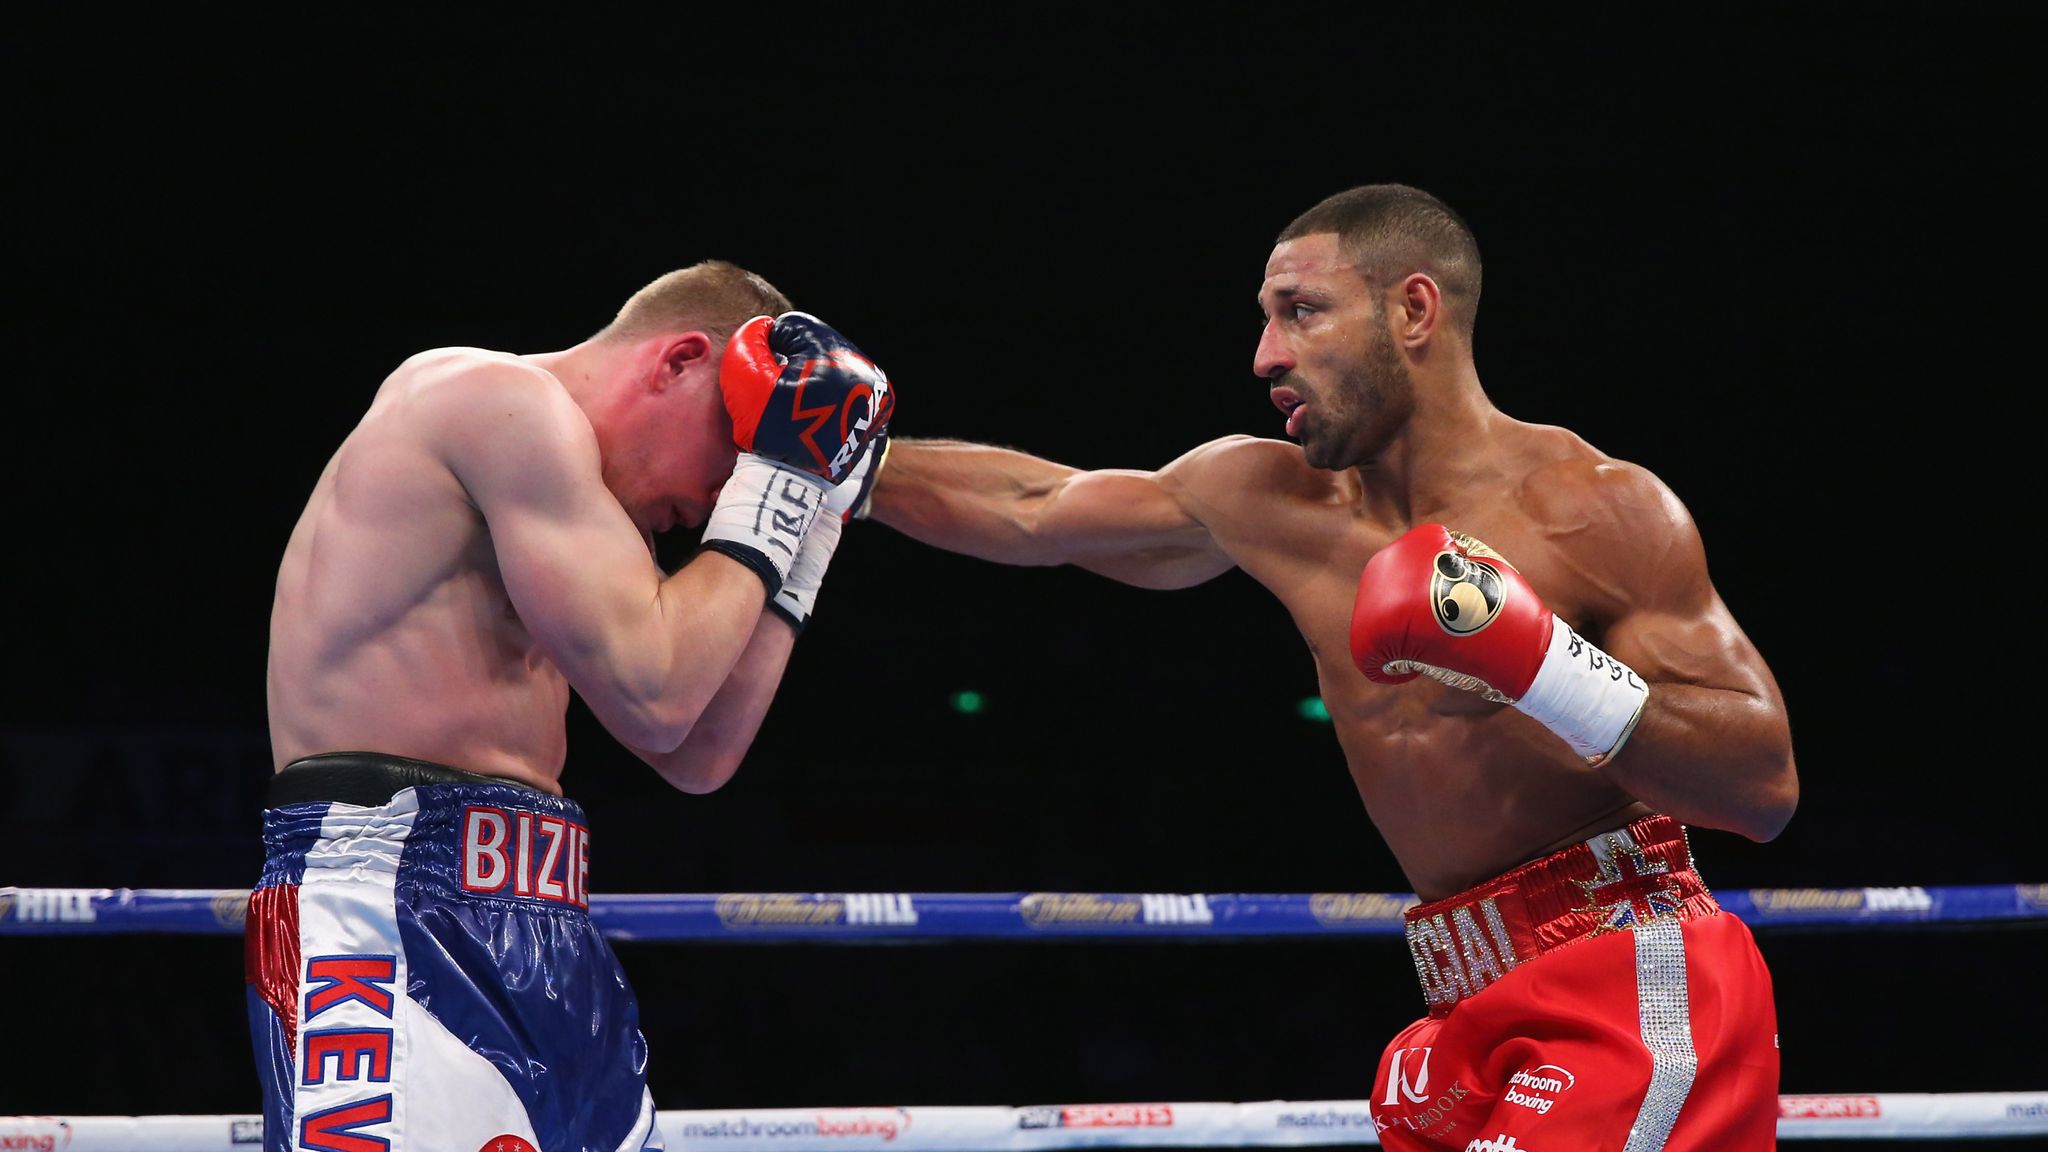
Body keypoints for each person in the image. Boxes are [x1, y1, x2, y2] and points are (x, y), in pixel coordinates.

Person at [859, 184, 1795, 1150]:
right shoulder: (1266, 497)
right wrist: (836, 459)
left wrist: (1536, 660)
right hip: (1463, 998)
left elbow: (1761, 786)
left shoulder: (1594, 509)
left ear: (1414, 311)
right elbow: (1033, 507)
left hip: (1628, 971)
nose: (1266, 356)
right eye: (1266, 319)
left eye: (1301, 312)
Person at [246, 260, 893, 1152]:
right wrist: (775, 486)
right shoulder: (494, 400)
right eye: (732, 459)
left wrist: (808, 522)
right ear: (680, 362)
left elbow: (699, 751)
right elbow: (660, 695)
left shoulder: (585, 513)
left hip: (547, 918)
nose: (715, 504)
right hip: (390, 900)